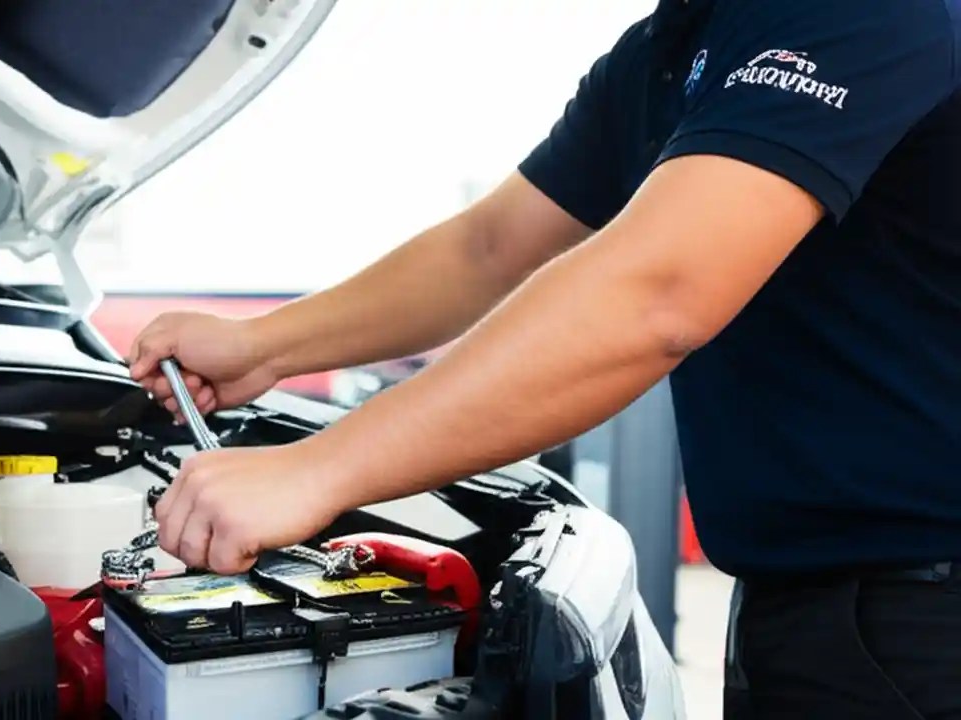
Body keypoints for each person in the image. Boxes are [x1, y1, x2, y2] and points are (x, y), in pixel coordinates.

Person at [129, 0, 961, 716]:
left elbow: (659, 292)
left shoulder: (853, 10)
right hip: (809, 605)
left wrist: (317, 472)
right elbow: (488, 248)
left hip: (927, 610)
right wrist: (261, 347)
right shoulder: (665, 51)